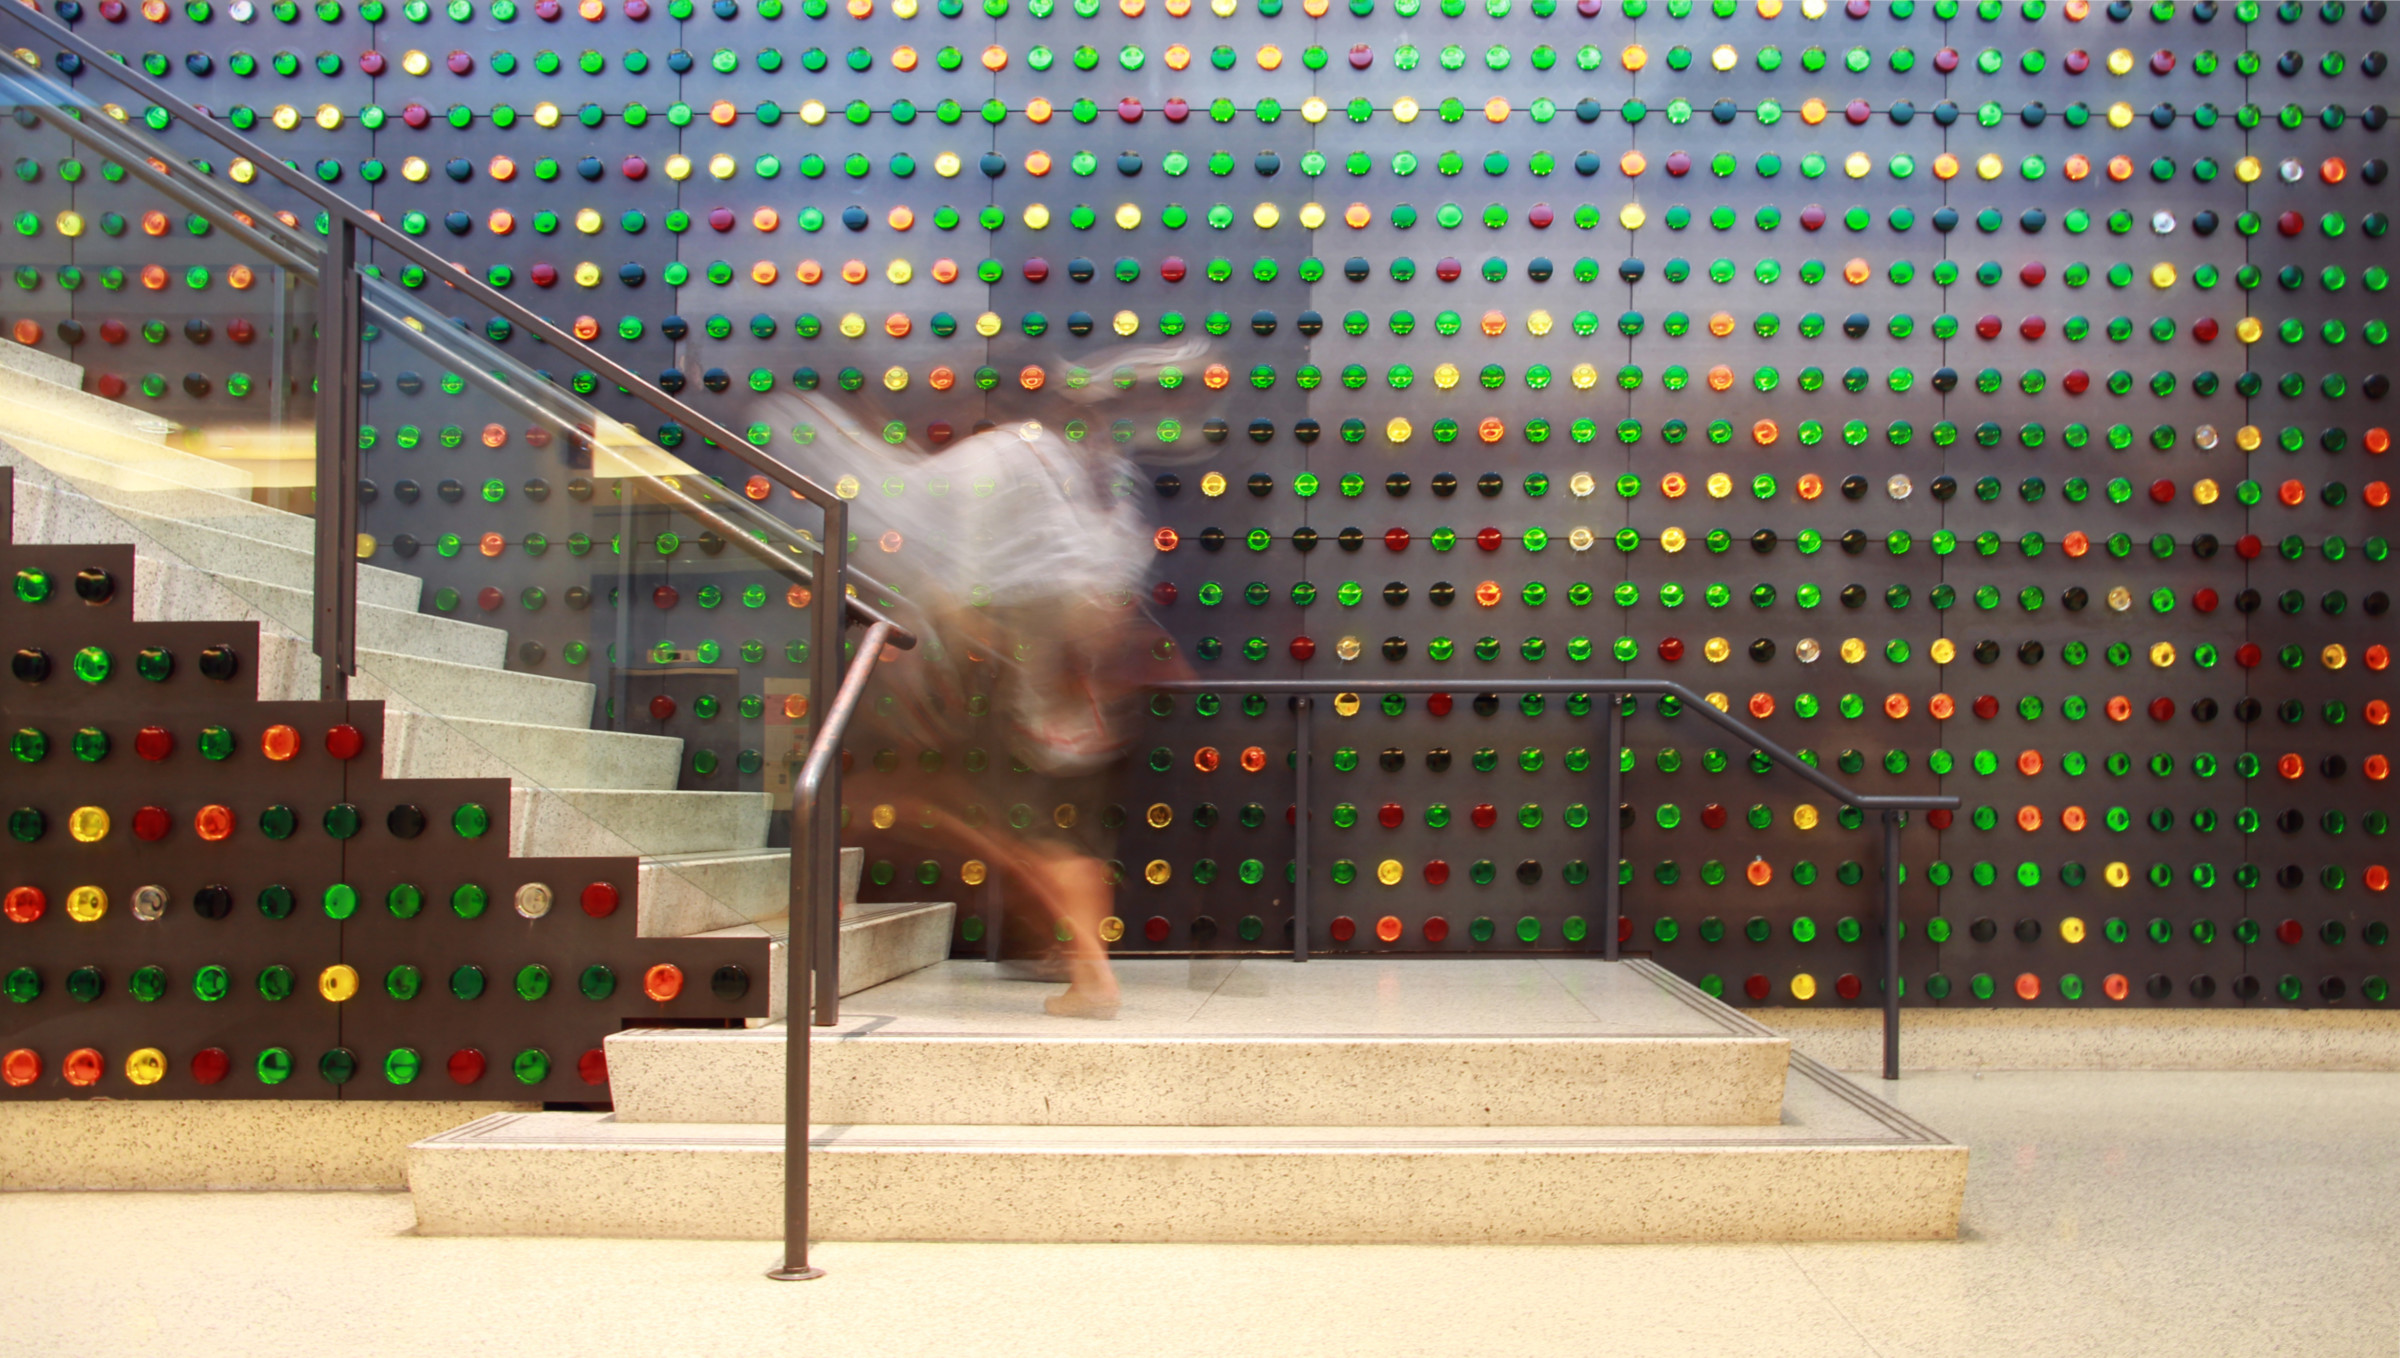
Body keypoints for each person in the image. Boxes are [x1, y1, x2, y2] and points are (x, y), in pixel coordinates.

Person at [755, 346, 1200, 1017]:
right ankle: (1078, 961)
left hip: (1018, 652)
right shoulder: (1085, 470)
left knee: (994, 816)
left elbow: (950, 564)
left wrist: (939, 658)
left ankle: (1086, 969)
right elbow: (1114, 564)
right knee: (1043, 824)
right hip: (1076, 672)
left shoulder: (1000, 457)